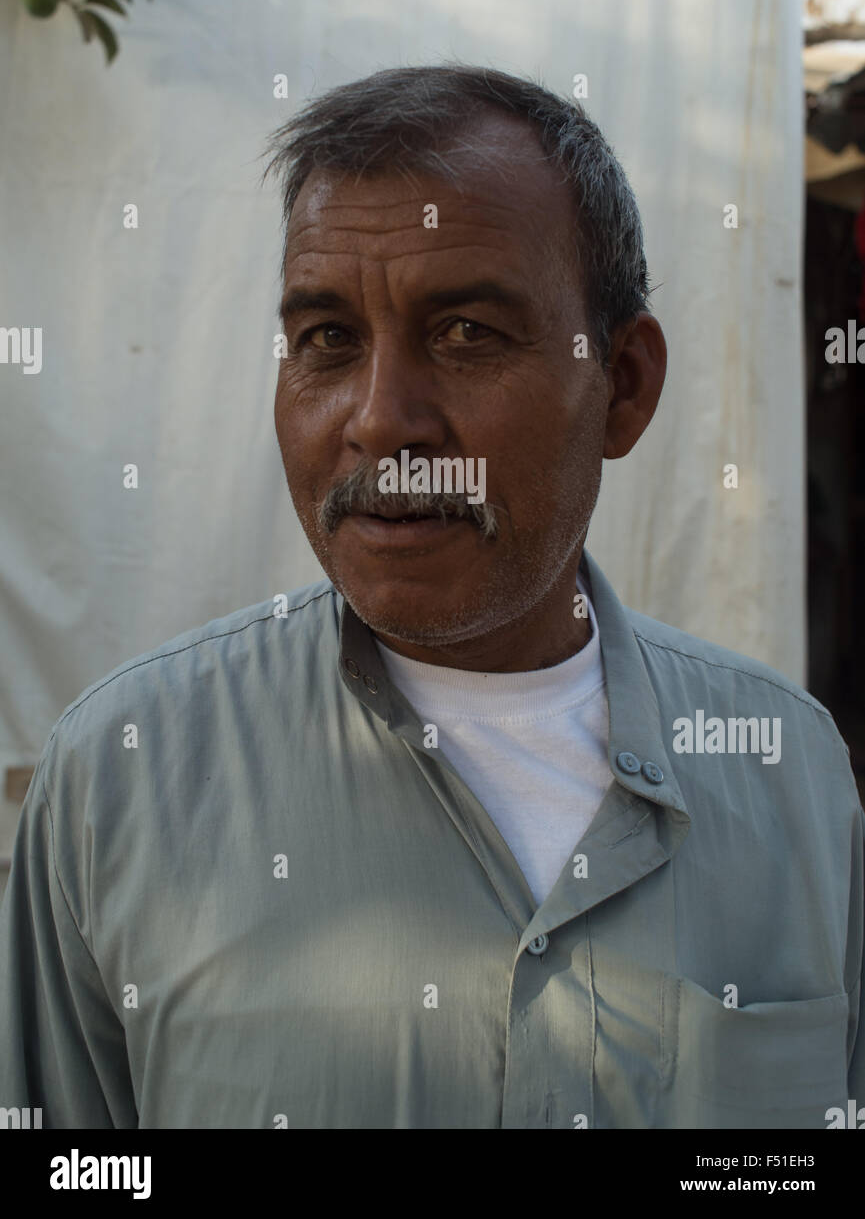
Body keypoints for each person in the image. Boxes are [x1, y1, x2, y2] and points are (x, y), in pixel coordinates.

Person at [0, 65, 861, 1129]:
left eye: (466, 334)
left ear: (624, 386)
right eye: (327, 340)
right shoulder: (116, 781)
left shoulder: (791, 776)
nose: (378, 421)